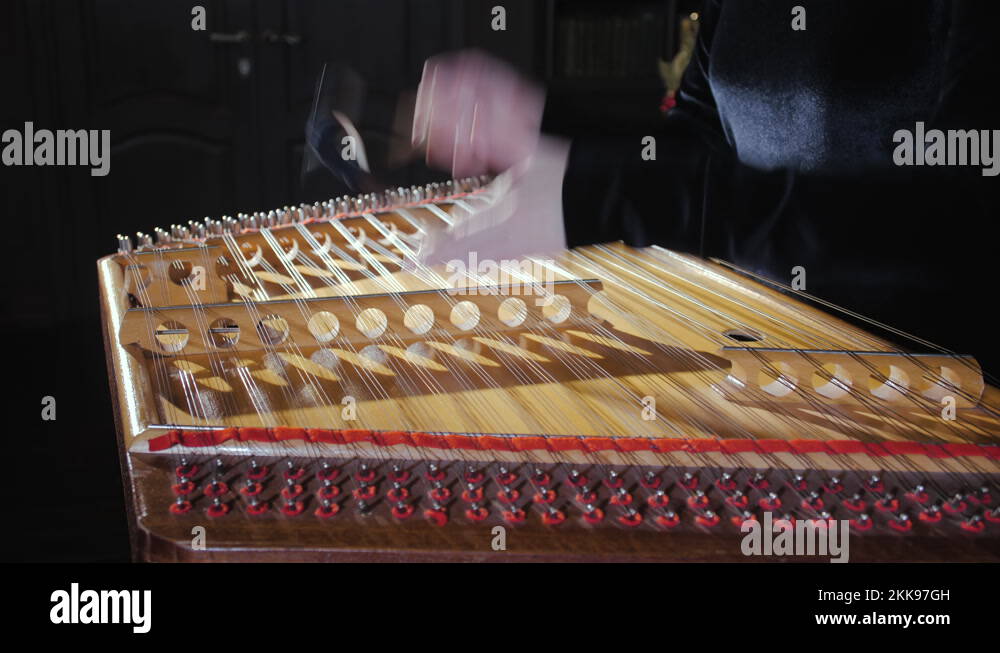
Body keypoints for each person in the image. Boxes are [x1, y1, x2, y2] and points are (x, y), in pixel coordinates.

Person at [410, 0, 1000, 373]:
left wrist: (616, 199)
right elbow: (702, 137)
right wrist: (544, 123)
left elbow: (964, 226)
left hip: (947, 401)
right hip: (772, 359)